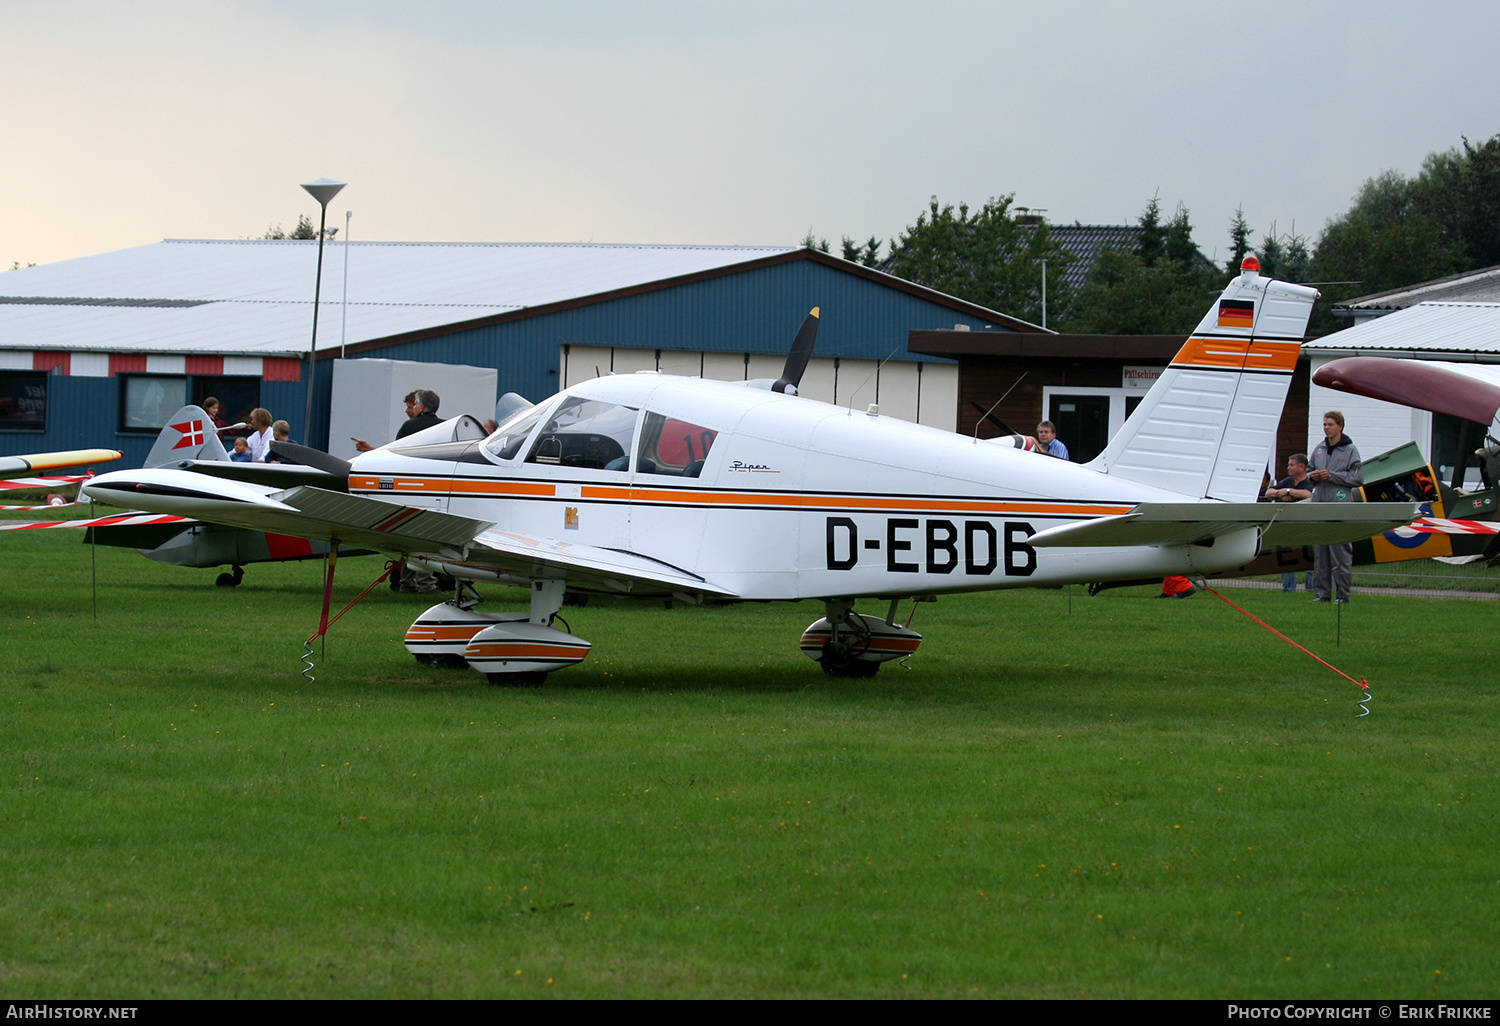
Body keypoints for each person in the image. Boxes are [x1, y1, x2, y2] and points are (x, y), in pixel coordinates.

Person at [1308, 412, 1363, 603]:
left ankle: (1342, 595)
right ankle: (1322, 594)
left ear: (1340, 426)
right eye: (1324, 424)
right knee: (1320, 554)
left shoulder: (1350, 450)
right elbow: (1309, 470)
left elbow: (1358, 478)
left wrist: (1332, 475)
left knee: (1340, 554)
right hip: (1319, 506)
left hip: (1340, 506)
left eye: (1330, 424)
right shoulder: (1320, 449)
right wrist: (1312, 476)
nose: (1326, 428)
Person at [1265, 453, 1313, 593]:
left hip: (1306, 526)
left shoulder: (1310, 482)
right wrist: (1280, 493)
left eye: (1291, 465)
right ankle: (1288, 589)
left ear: (1302, 467)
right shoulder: (1287, 481)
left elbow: (1309, 495)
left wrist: (1289, 492)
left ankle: (1311, 589)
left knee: (1310, 559)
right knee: (1287, 557)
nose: (1288, 468)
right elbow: (1269, 492)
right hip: (1288, 526)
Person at [352, 390, 443, 452]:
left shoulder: (409, 426)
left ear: (421, 407)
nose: (406, 411)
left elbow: (394, 456)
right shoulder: (444, 427)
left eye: (412, 406)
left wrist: (371, 450)